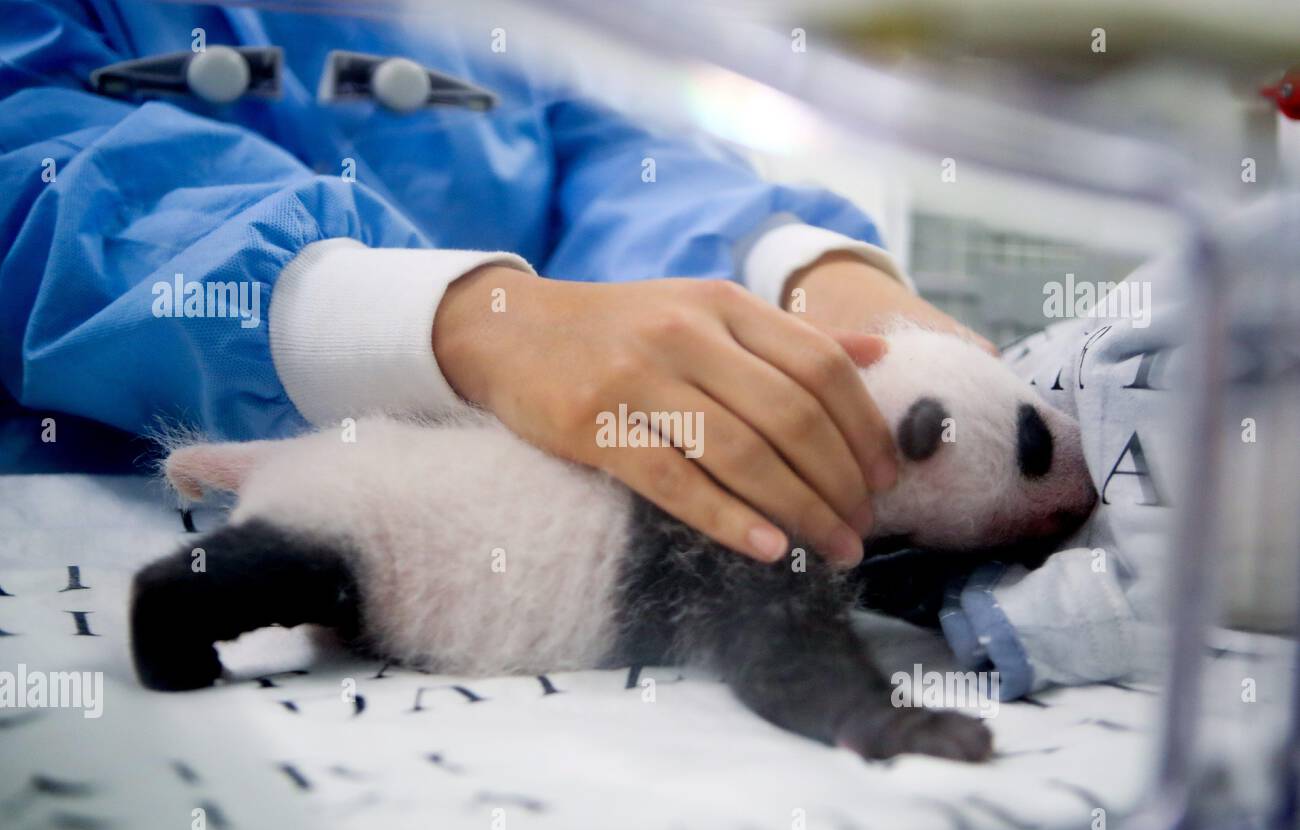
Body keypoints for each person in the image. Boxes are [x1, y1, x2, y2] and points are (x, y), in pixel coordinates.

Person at [0, 0, 989, 568]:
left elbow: (590, 138)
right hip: (101, 529)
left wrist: (799, 266)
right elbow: (30, 168)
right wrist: (471, 327)